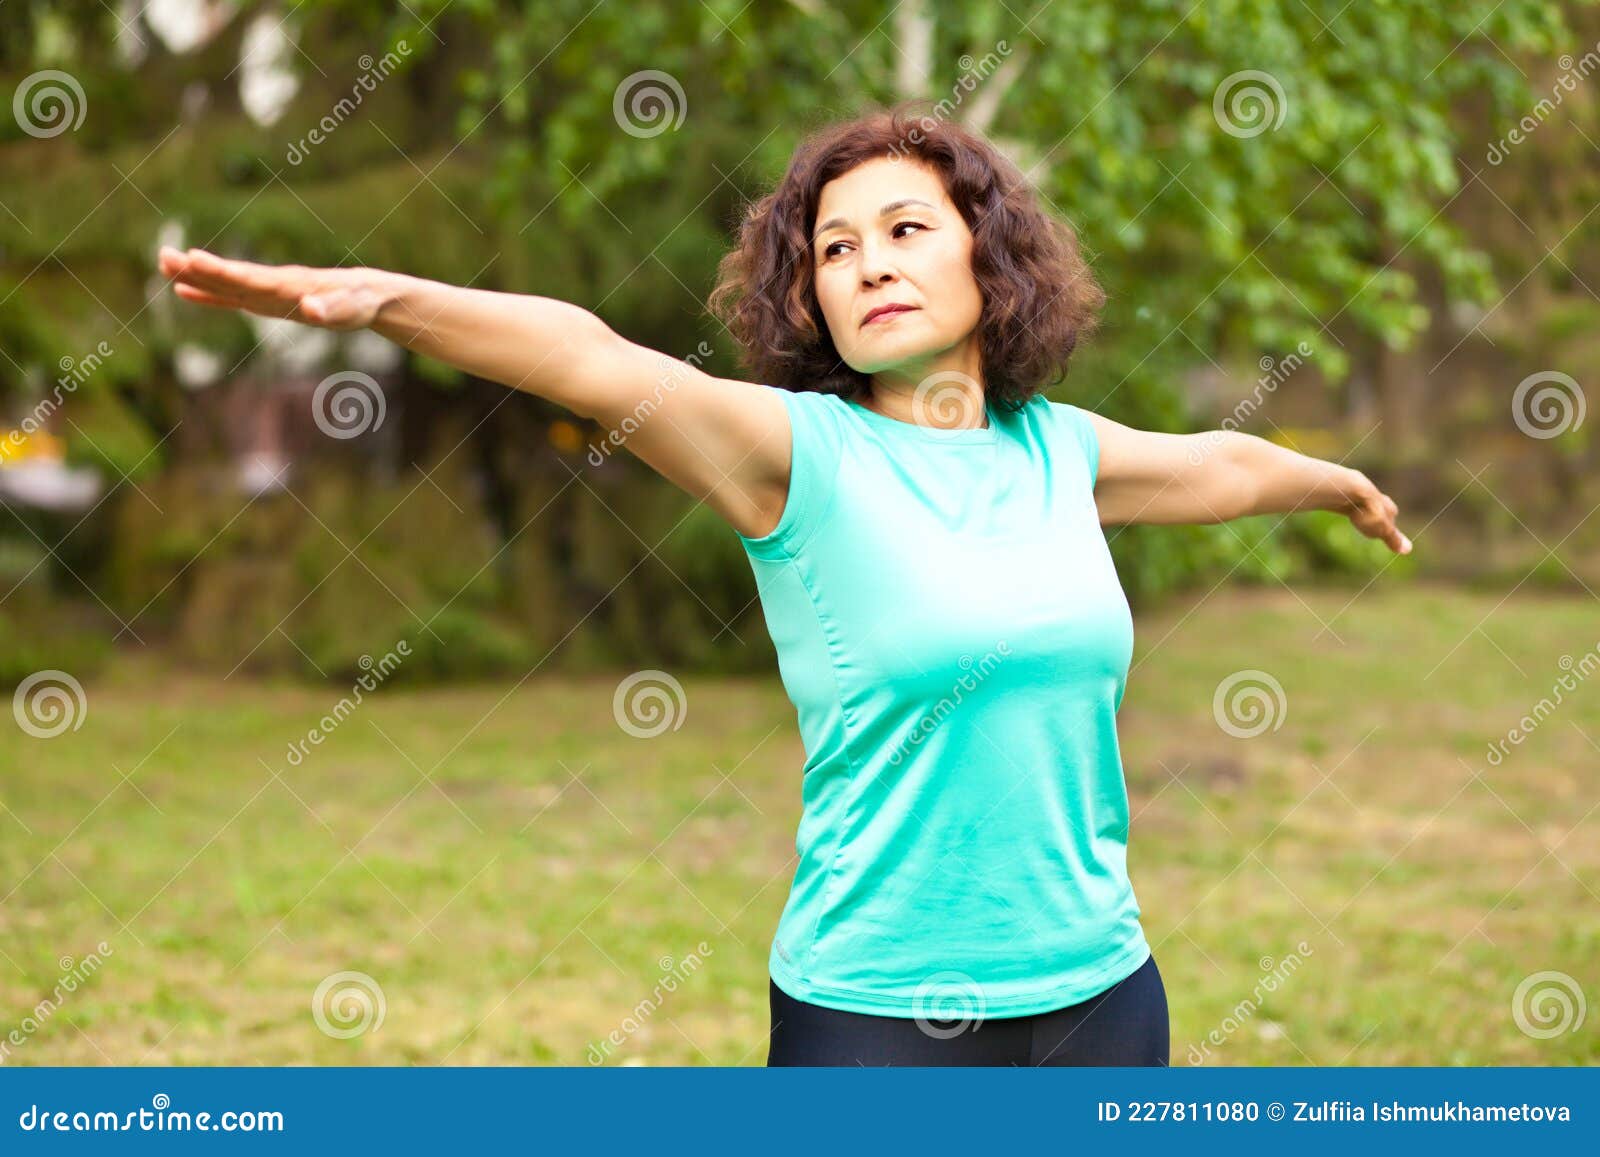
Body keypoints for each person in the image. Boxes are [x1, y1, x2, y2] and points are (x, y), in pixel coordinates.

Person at [158, 104, 1410, 1068]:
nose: (867, 263)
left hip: (1103, 995)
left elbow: (1221, 461)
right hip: (875, 1015)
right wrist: (388, 299)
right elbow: (592, 358)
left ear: (991, 256)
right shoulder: (796, 457)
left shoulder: (1059, 449)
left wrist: (1337, 480)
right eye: (834, 249)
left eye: (906, 230)